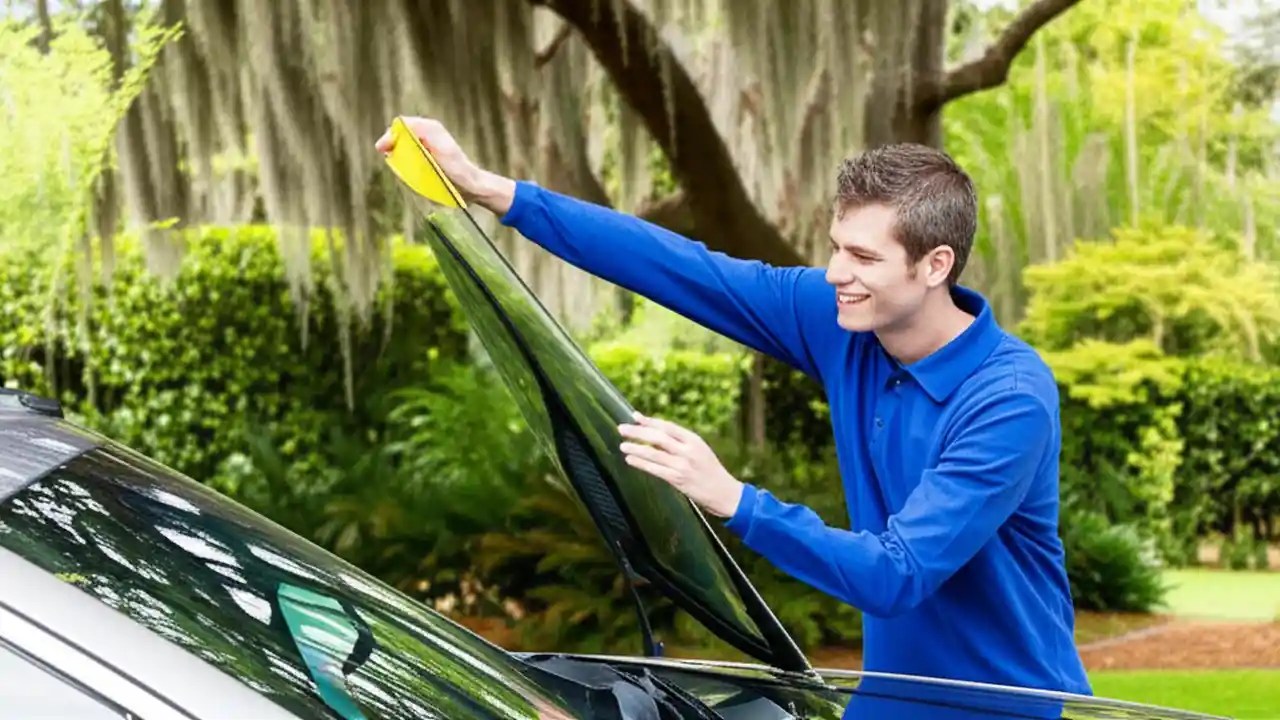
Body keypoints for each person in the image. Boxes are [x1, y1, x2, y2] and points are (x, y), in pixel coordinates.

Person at [375, 117, 1092, 702]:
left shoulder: (1008, 400)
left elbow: (894, 575)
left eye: (865, 258)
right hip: (891, 695)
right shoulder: (843, 321)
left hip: (1002, 705)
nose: (838, 272)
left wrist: (734, 500)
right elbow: (683, 268)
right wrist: (492, 191)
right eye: (837, 247)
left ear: (935, 265)